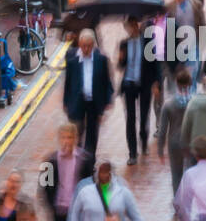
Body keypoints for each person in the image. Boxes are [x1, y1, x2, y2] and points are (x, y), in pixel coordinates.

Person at [66, 160, 151, 221]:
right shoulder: (84, 189)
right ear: (96, 172)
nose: (104, 175)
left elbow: (134, 214)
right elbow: (74, 214)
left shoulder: (122, 189)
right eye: (102, 171)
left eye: (107, 172)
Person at [38, 124, 93, 221]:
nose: (66, 141)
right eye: (63, 137)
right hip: (58, 213)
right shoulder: (49, 161)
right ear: (59, 139)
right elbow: (42, 187)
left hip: (77, 212)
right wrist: (51, 207)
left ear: (75, 139)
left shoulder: (85, 159)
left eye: (69, 137)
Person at [62, 28, 114, 158]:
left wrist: (107, 101)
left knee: (92, 133)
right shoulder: (71, 57)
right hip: (77, 101)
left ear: (93, 45)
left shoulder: (101, 59)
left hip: (94, 102)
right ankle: (78, 160)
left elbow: (107, 82)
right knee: (77, 132)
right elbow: (68, 81)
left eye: (89, 46)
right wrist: (66, 102)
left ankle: (89, 162)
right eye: (83, 46)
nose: (86, 49)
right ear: (79, 44)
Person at [117, 16, 153, 166]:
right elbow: (120, 65)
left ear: (137, 26)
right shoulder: (124, 44)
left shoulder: (148, 41)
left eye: (131, 26)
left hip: (144, 84)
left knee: (144, 117)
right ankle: (132, 153)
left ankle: (143, 141)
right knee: (130, 118)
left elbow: (154, 63)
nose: (129, 29)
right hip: (129, 84)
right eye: (127, 27)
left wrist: (156, 83)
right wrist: (121, 59)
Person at [157, 68, 193, 197]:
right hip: (190, 141)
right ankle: (187, 201)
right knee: (189, 173)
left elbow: (162, 130)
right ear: (190, 84)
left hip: (174, 142)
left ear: (176, 84)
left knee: (176, 174)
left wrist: (160, 149)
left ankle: (177, 201)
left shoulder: (168, 104)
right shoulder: (194, 102)